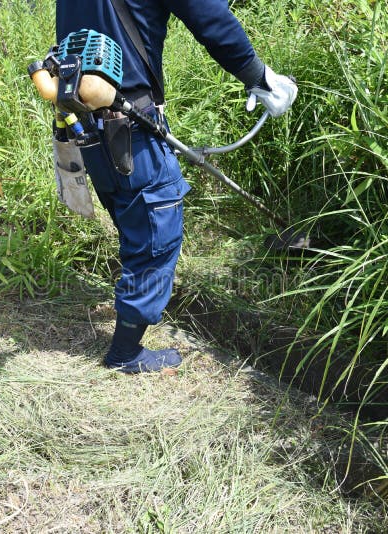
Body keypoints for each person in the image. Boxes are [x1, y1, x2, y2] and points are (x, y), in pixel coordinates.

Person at [55, 0, 297, 373]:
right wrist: (258, 76)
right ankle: (125, 353)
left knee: (133, 218)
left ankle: (130, 312)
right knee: (156, 238)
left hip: (86, 121)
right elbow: (209, 16)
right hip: (130, 123)